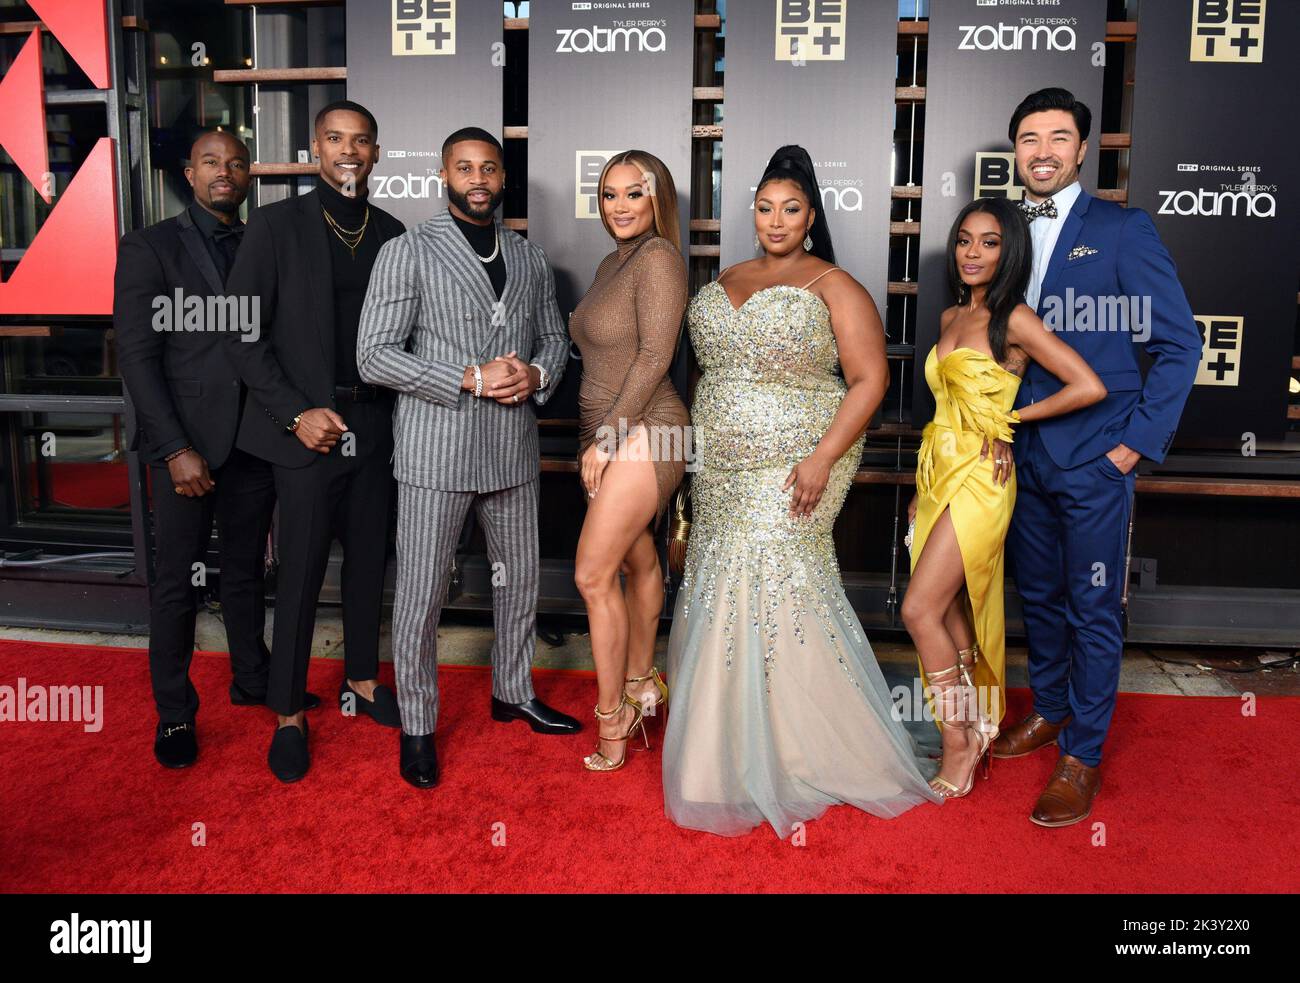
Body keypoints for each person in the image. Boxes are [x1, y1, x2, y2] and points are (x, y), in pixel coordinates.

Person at [661, 146, 942, 837]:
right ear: (752, 211)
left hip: (801, 462)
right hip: (720, 466)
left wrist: (821, 456)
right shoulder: (727, 276)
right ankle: (719, 756)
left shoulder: (833, 284)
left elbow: (870, 381)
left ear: (812, 216)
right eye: (764, 207)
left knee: (777, 577)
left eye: (791, 209)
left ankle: (808, 750)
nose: (776, 220)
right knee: (719, 580)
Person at [998, 88, 1200, 826]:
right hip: (1021, 456)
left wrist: (1132, 447)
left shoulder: (1122, 230)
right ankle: (1050, 711)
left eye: (1058, 137)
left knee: (1091, 608)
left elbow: (1181, 343)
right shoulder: (1001, 231)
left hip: (1095, 462)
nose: (1043, 150)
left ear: (1084, 149)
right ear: (1014, 149)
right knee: (1040, 600)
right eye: (1029, 137)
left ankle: (1082, 754)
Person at [357, 127, 580, 790]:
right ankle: (420, 725)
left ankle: (513, 690)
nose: (478, 178)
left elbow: (555, 339)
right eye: (464, 167)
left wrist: (538, 376)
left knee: (519, 582)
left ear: (502, 176)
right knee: (423, 595)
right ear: (443, 174)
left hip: (512, 447)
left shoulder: (530, 256)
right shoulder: (408, 251)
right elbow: (372, 356)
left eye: (488, 167)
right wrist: (469, 376)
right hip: (437, 451)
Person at [116, 129, 318, 769]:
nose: (224, 172)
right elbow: (139, 359)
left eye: (235, 162)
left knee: (245, 574)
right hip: (187, 447)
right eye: (211, 162)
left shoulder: (267, 237)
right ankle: (175, 715)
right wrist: (175, 447)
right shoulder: (150, 247)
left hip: (255, 441)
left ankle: (252, 679)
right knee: (176, 584)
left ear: (249, 173)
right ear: (188, 172)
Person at [223, 100, 407, 782]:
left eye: (361, 140)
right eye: (335, 139)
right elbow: (241, 335)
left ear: (378, 151)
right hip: (304, 429)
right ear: (315, 148)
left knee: (368, 563)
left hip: (377, 423)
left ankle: (360, 679)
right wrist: (294, 413)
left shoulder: (393, 232)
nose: (349, 151)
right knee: (298, 572)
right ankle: (288, 712)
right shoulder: (274, 226)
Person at [903, 197, 1106, 799]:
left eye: (989, 242)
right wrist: (920, 494)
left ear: (1009, 250)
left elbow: (1086, 385)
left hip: (983, 479)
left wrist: (1011, 419)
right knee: (948, 611)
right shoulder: (946, 319)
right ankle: (974, 725)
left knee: (919, 609)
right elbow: (942, 410)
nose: (972, 253)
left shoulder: (1013, 318)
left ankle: (958, 741)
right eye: (964, 240)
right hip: (937, 470)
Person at [569, 151, 689, 772]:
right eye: (609, 194)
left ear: (656, 200)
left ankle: (612, 718)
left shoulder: (660, 257)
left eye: (633, 194)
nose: (619, 206)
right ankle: (645, 685)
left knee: (592, 574)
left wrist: (609, 438)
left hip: (654, 428)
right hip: (607, 430)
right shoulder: (609, 262)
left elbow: (654, 358)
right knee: (638, 558)